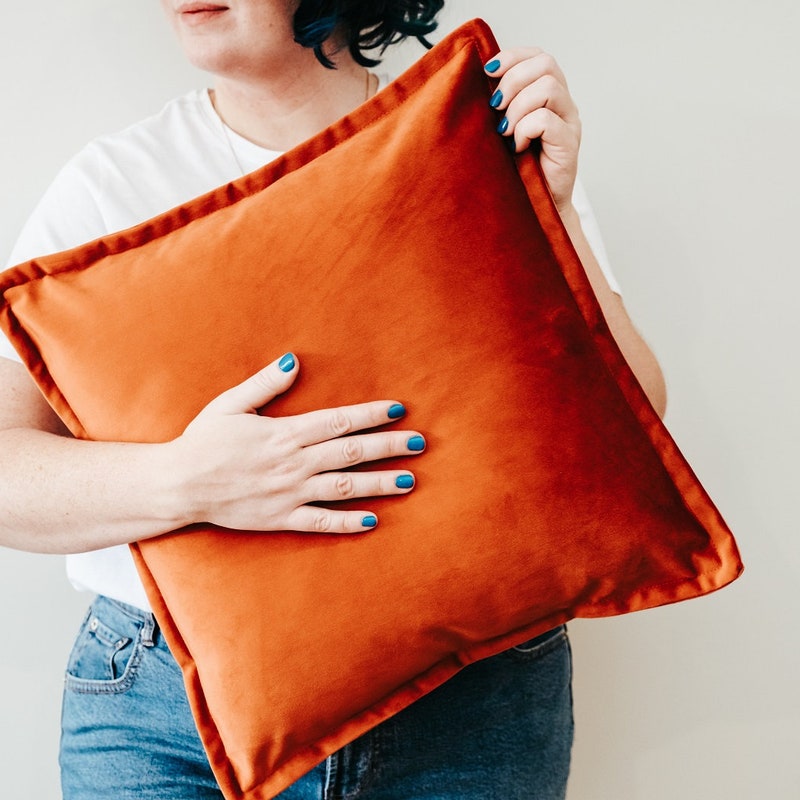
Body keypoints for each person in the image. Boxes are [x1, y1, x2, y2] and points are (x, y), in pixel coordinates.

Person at [0, 2, 667, 798]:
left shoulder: (472, 139)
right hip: (166, 718)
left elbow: (637, 416)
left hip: (477, 706)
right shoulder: (111, 186)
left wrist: (551, 205)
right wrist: (190, 482)